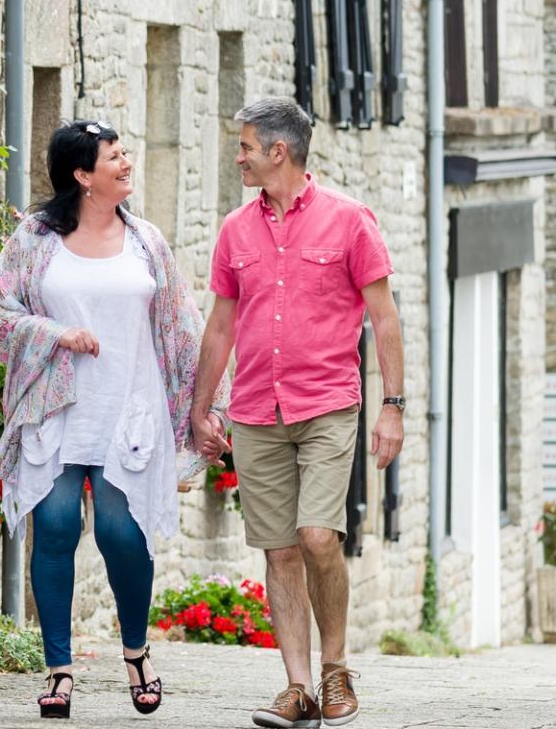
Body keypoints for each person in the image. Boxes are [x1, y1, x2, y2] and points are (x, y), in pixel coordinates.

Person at [0, 119, 225, 720]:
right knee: (58, 528)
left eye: (126, 154)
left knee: (123, 534)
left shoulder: (147, 241)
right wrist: (54, 332)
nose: (126, 164)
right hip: (55, 411)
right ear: (81, 174)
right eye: (113, 157)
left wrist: (205, 410)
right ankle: (59, 670)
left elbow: (181, 329)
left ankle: (136, 653)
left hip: (130, 411)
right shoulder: (35, 240)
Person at [190, 98, 405, 729]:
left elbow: (384, 317)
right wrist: (203, 407)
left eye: (246, 146)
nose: (239, 157)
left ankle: (336, 668)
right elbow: (221, 325)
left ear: (278, 152)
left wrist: (392, 406)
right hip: (257, 410)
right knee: (280, 549)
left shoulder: (350, 221)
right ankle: (299, 688)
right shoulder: (236, 230)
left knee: (317, 535)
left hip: (327, 405)